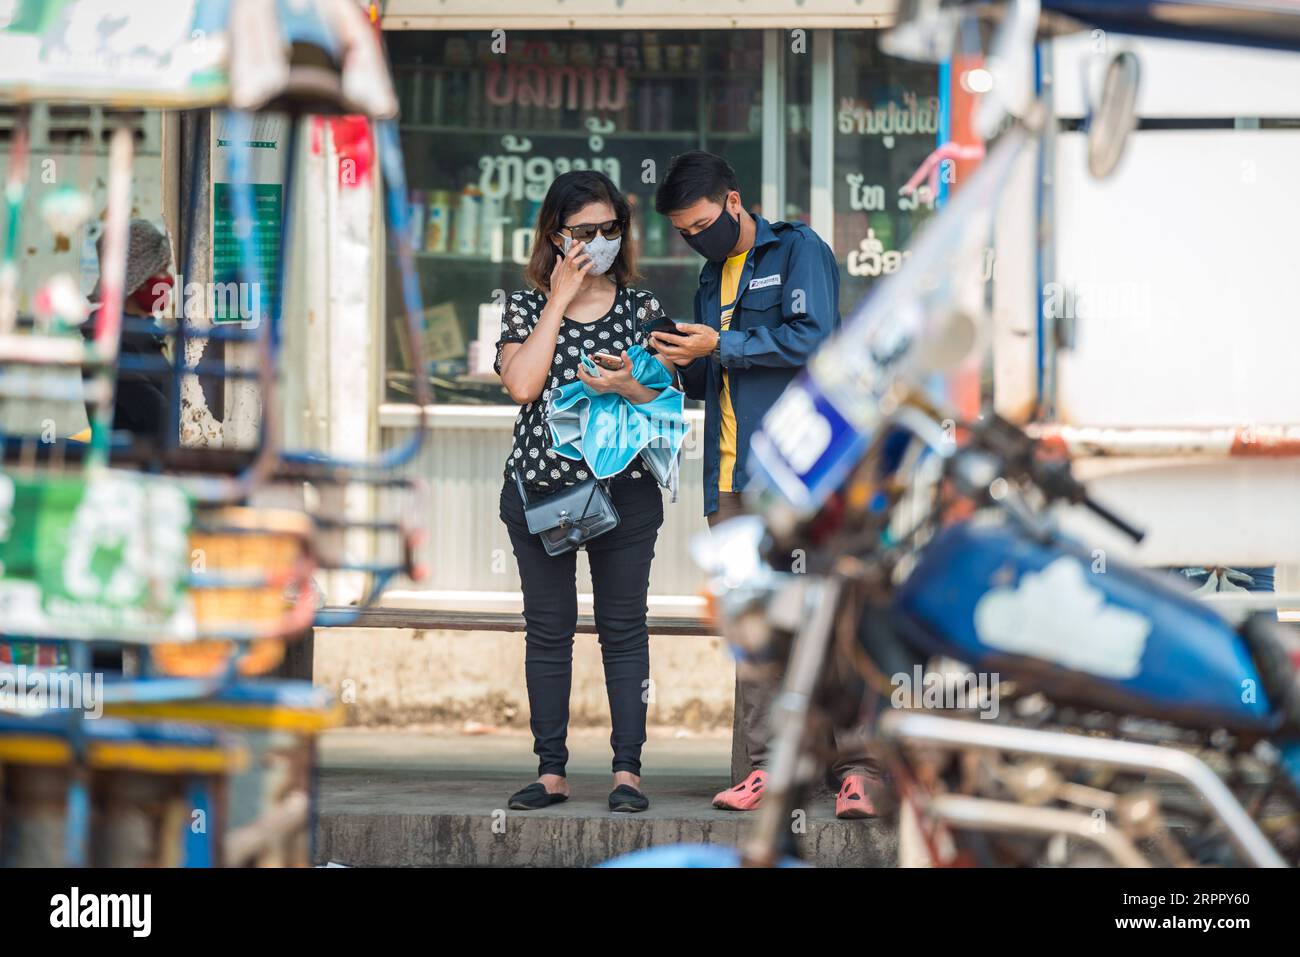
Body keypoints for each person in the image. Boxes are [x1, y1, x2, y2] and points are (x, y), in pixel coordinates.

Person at [650, 150, 878, 819]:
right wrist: (663, 362)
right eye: (684, 231)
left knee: (832, 619)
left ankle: (858, 770)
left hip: (804, 475)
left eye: (701, 223)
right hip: (731, 479)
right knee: (755, 629)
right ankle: (766, 768)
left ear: (734, 200)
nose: (695, 237)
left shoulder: (798, 248)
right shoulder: (706, 278)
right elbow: (709, 374)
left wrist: (717, 342)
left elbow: (813, 339)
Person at [495, 170, 678, 814]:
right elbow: (521, 385)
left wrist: (629, 384)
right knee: (548, 630)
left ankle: (627, 772)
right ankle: (551, 772)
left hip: (625, 496)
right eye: (583, 231)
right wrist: (557, 300)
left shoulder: (641, 307)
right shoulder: (522, 305)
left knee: (623, 628)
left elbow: (667, 401)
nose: (598, 241)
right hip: (544, 492)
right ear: (555, 235)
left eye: (610, 230)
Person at [76, 218, 174, 445]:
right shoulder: (109, 339)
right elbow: (161, 416)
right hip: (133, 467)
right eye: (161, 270)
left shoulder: (141, 331)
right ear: (139, 281)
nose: (167, 279)